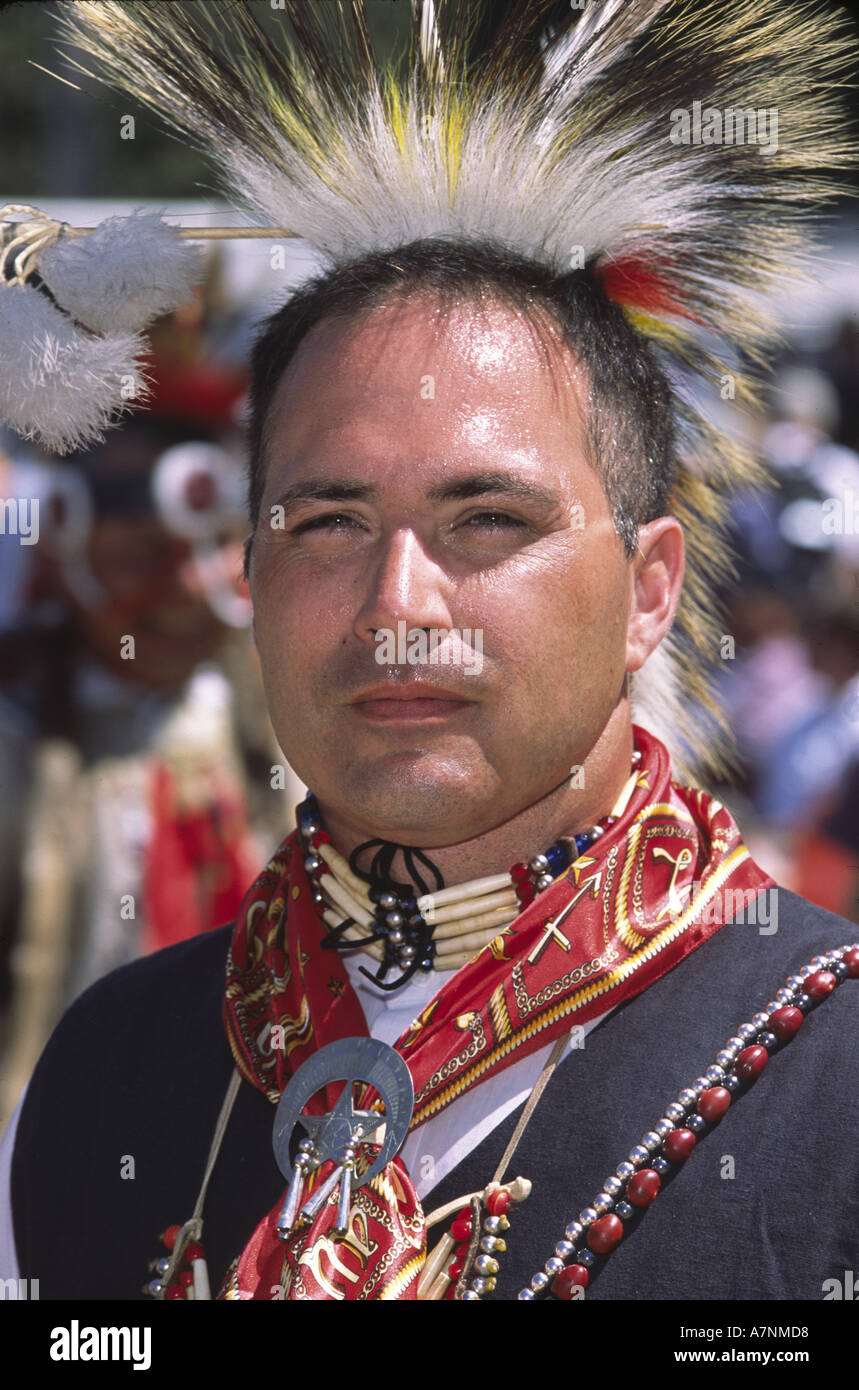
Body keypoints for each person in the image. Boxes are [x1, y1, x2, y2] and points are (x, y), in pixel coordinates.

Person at [0, 0, 857, 1303]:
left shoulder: (830, 1069)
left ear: (647, 589)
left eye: (487, 519)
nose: (398, 601)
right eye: (331, 519)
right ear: (251, 570)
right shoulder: (113, 1066)